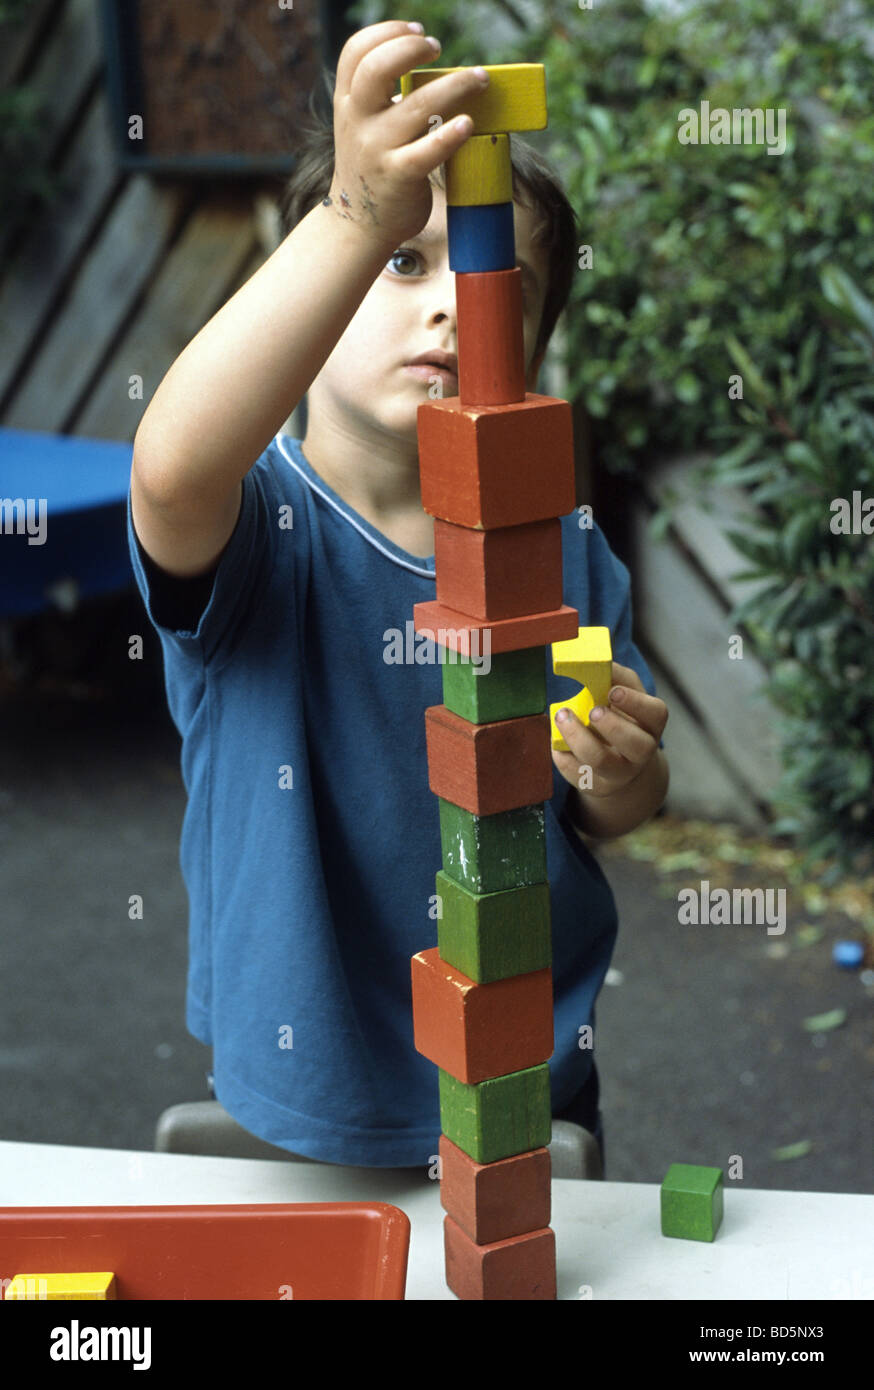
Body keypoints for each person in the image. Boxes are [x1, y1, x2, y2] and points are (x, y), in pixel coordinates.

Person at [127, 20, 669, 1175]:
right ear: (305, 303)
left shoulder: (561, 547)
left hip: (529, 1063)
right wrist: (355, 213)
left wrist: (619, 771)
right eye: (400, 261)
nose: (445, 306)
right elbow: (170, 471)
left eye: (493, 285)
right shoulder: (256, 529)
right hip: (306, 1081)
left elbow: (607, 806)